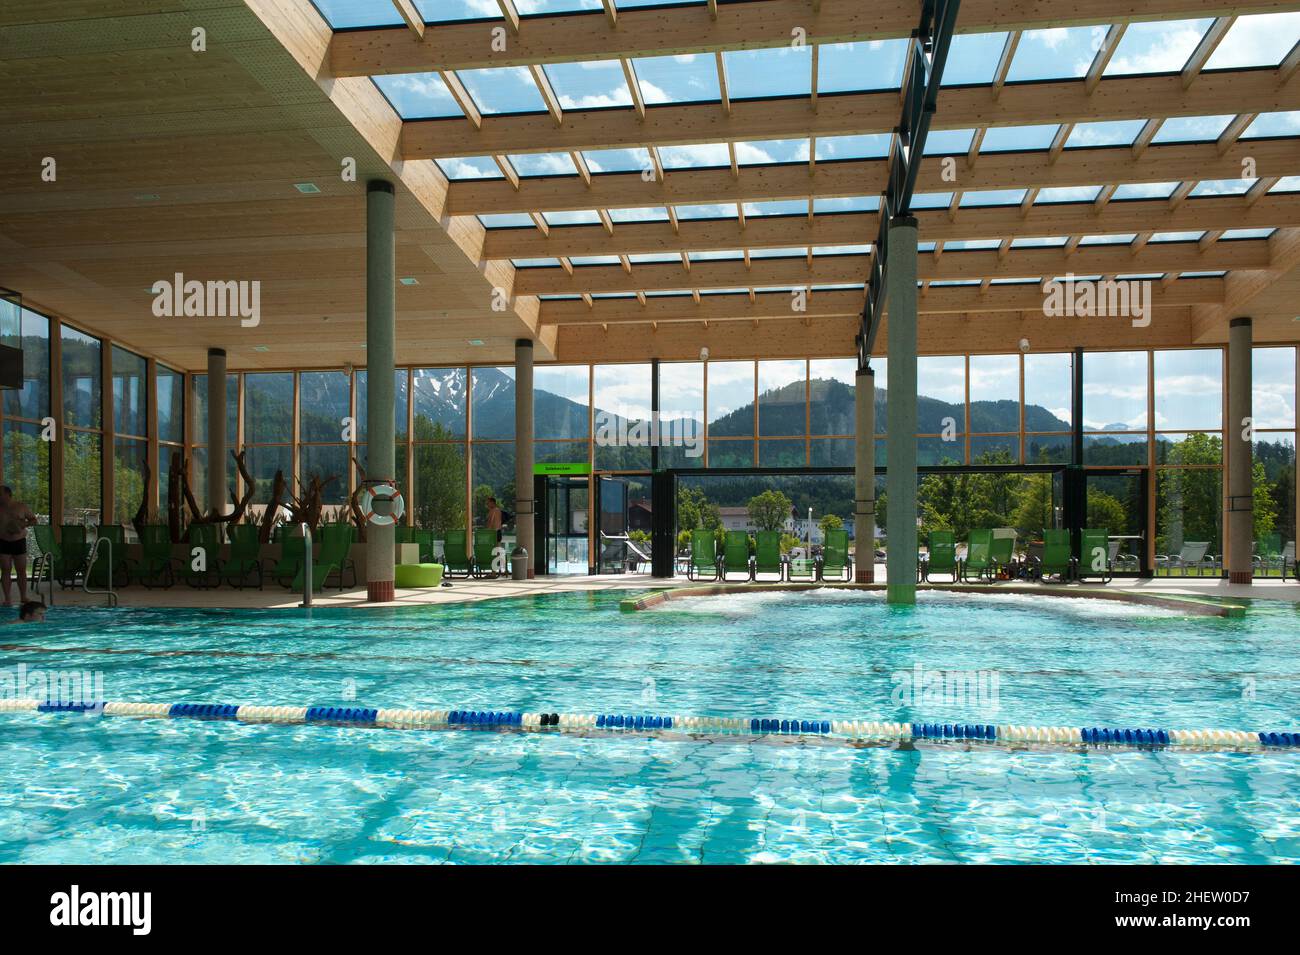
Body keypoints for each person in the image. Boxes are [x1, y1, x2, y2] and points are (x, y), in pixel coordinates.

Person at [0, 485, 37, 606]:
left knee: (21, 570)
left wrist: (23, 524)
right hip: (3, 541)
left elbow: (34, 520)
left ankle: (23, 596)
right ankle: (7, 598)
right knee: (5, 569)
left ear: (8, 494)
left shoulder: (21, 506)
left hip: (18, 541)